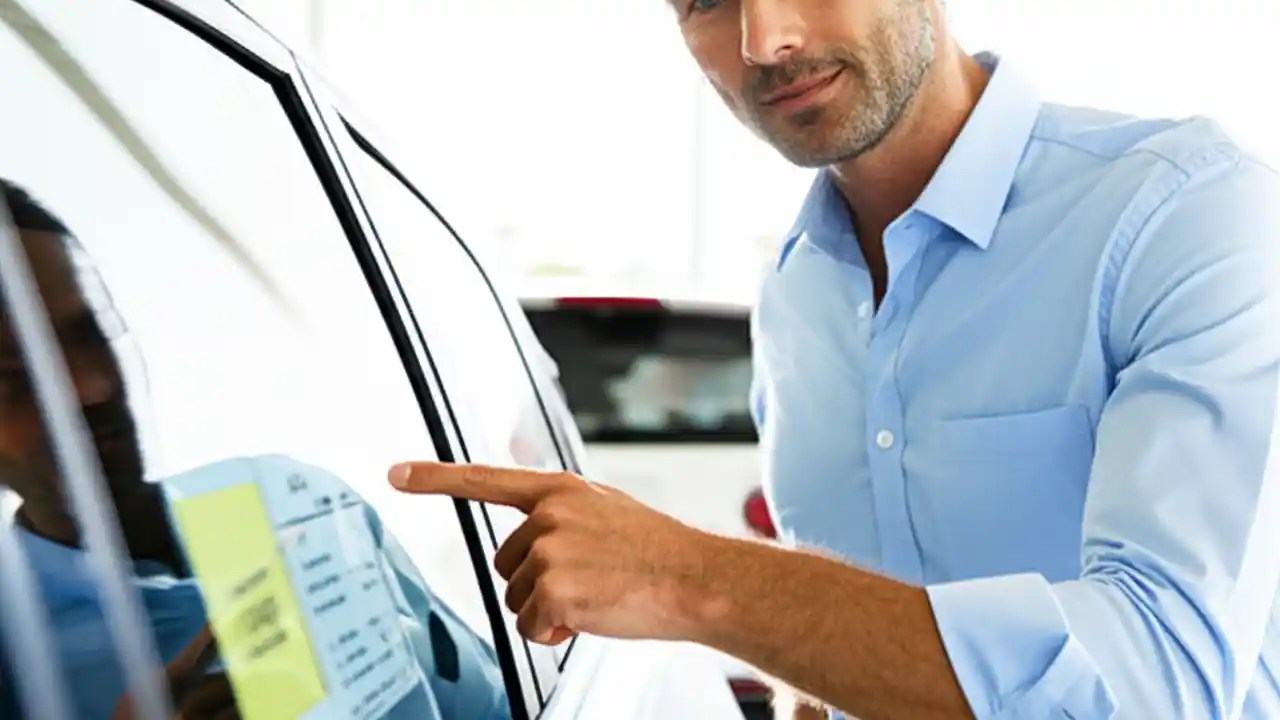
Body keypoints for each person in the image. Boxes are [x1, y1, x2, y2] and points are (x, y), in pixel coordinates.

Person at [386, 1, 1280, 719]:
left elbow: (1168, 681)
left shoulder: (1186, 213)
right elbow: (833, 670)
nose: (763, 38)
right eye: (704, 0)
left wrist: (685, 574)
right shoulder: (794, 297)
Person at [0, 179, 510, 720]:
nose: (91, 387)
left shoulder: (290, 508)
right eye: (12, 373)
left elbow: (491, 706)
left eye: (92, 334)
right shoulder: (16, 655)